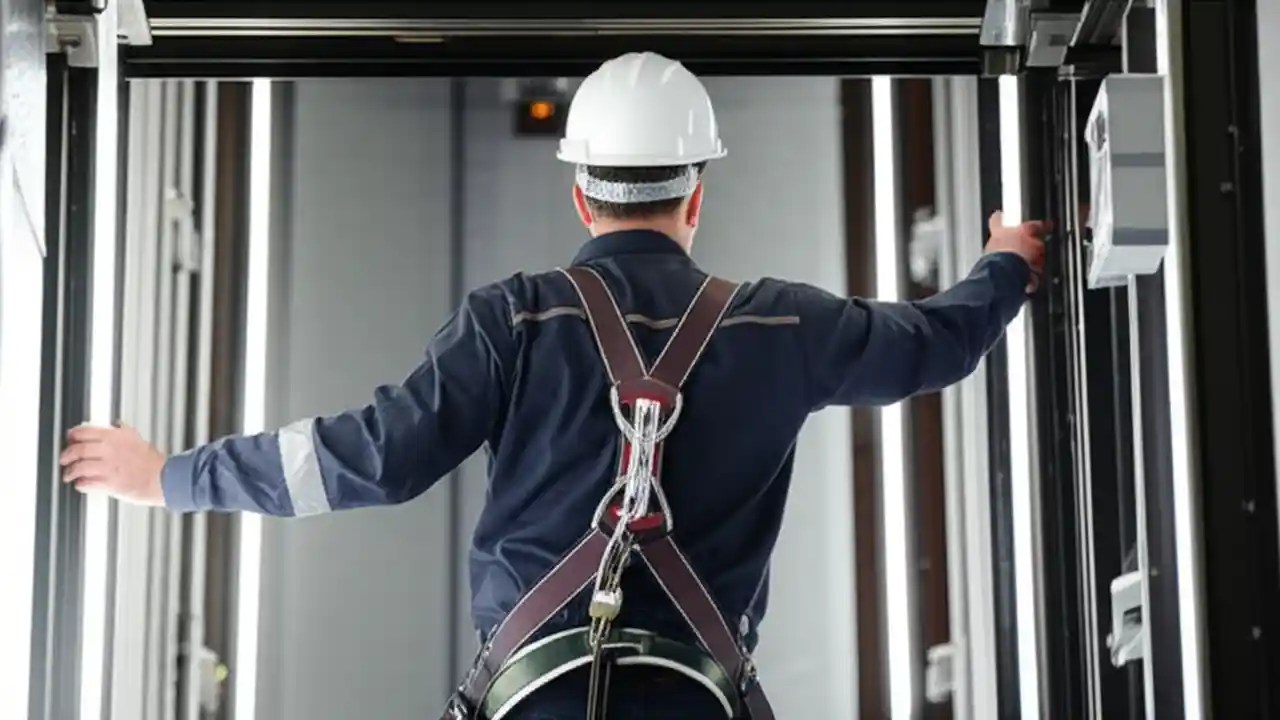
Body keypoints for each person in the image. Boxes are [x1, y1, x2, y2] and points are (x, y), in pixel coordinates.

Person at [61, 52, 1046, 720]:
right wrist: (1006, 261)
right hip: (695, 696)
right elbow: (938, 344)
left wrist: (170, 477)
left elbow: (372, 458)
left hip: (534, 694)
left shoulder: (515, 319)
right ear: (696, 196)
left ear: (579, 195)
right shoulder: (781, 325)